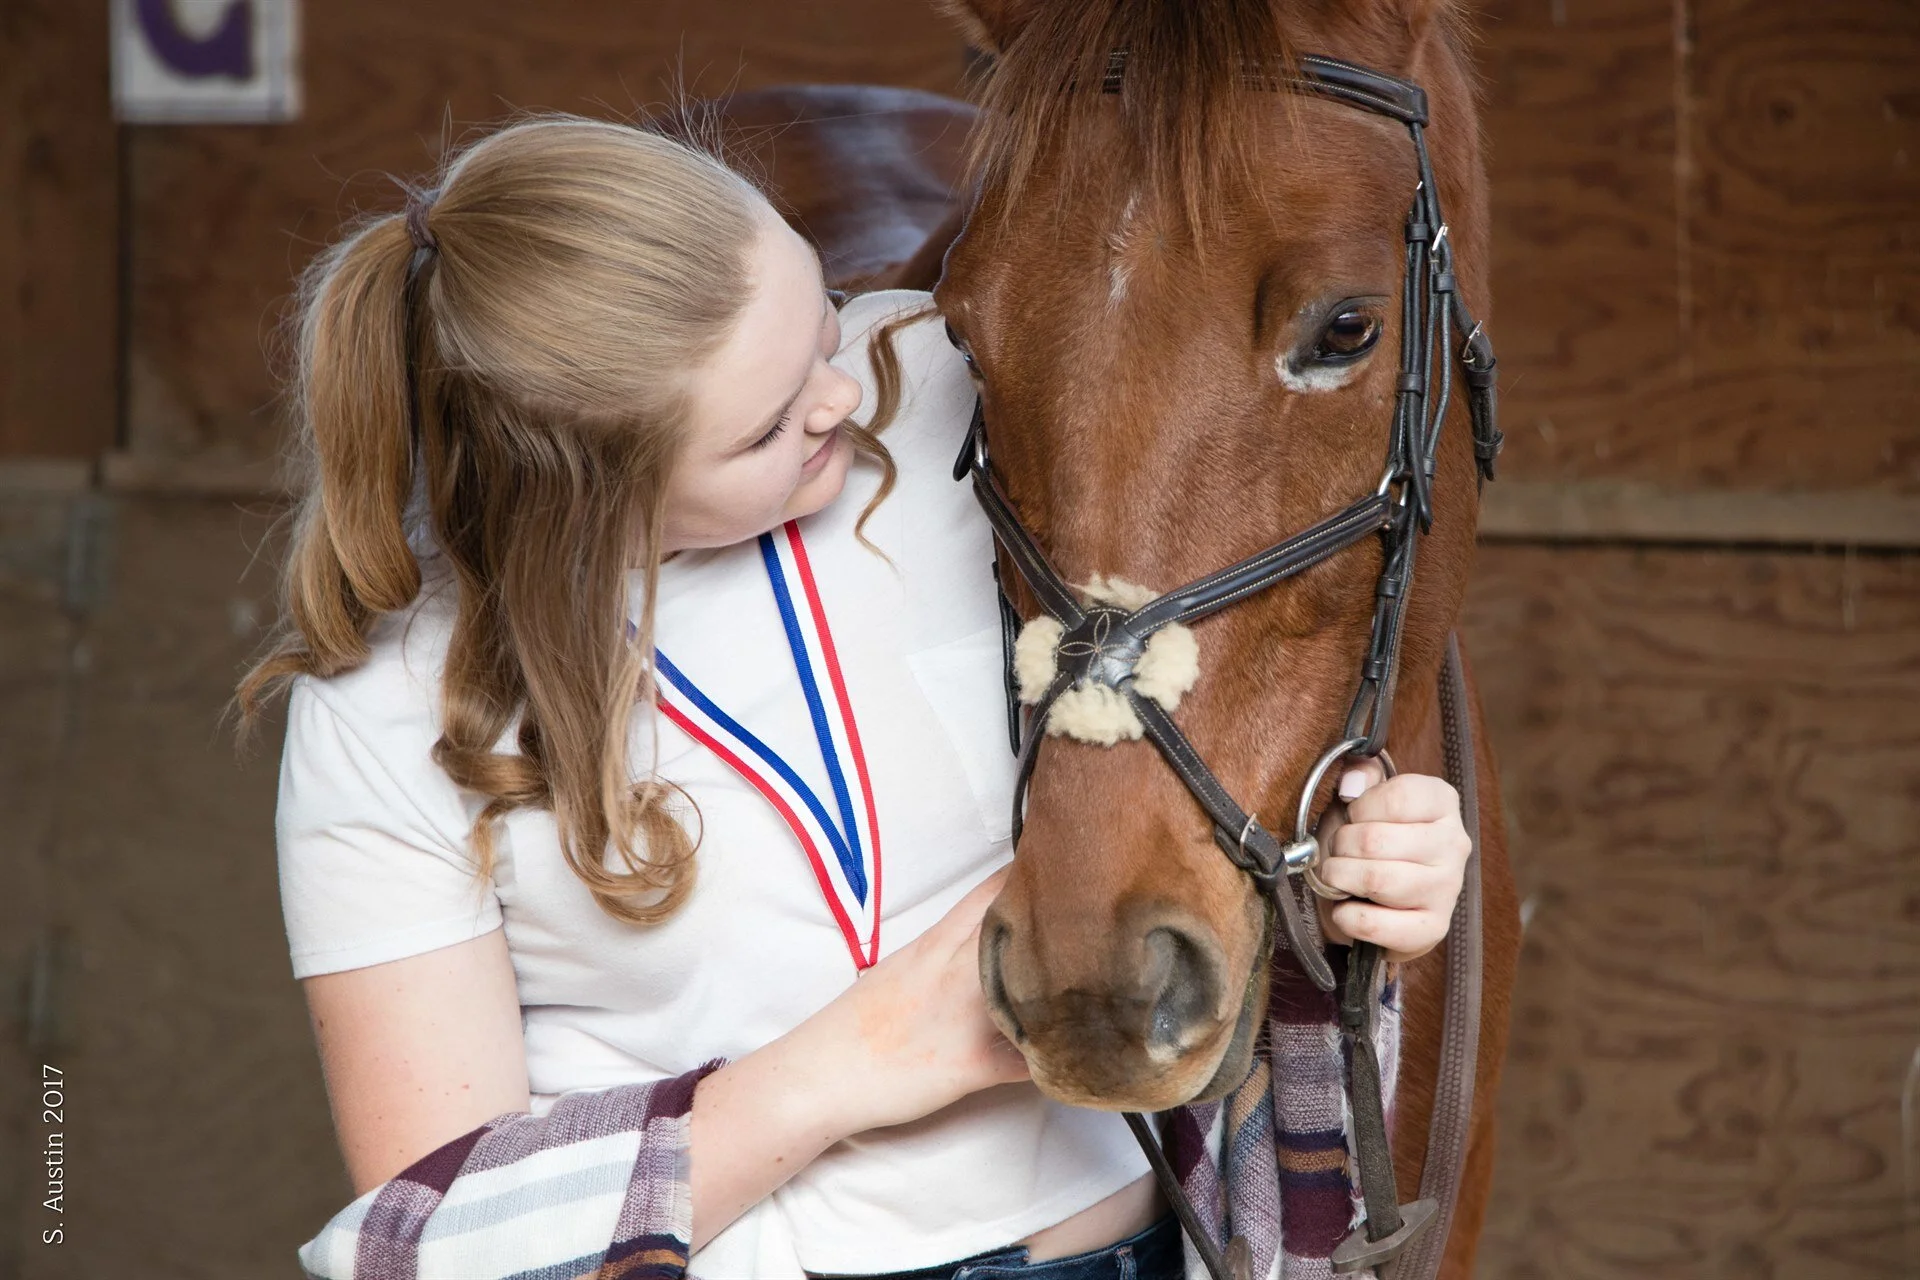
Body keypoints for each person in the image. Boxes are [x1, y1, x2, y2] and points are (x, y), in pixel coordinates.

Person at [241, 115, 1472, 1280]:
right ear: (592, 497)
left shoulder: (950, 396)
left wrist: (1359, 879)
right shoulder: (384, 711)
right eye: (771, 424)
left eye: (820, 321)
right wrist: (846, 1066)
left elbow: (1235, 651)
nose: (843, 395)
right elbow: (451, 1242)